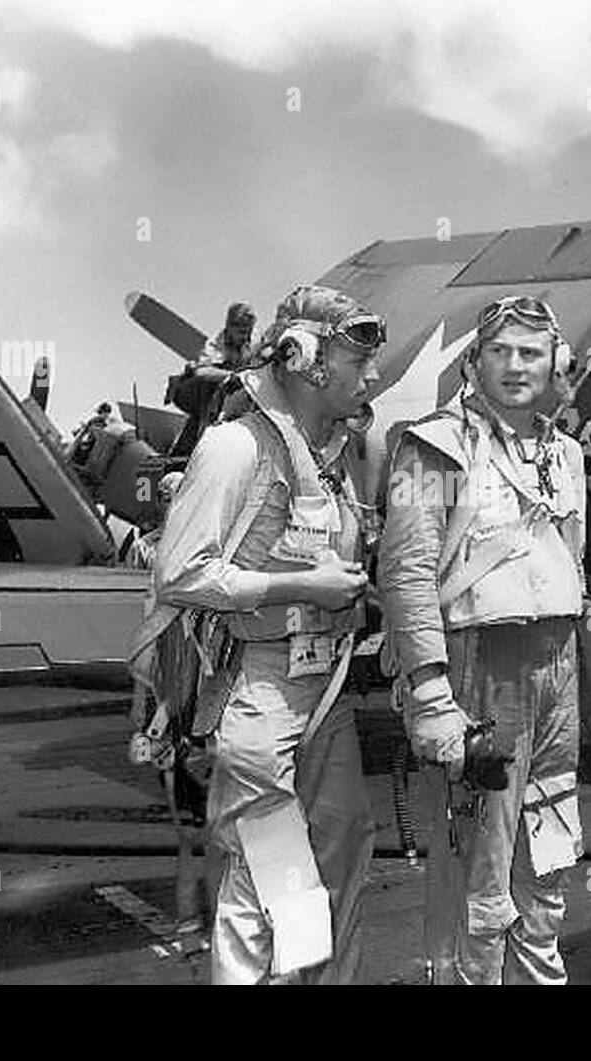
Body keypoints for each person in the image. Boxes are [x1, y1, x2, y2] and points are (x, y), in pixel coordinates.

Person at [132, 285, 385, 984]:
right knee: (271, 878)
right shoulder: (234, 448)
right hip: (255, 689)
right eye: (356, 361)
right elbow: (181, 574)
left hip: (322, 689)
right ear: (306, 359)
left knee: (339, 850)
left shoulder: (331, 456)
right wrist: (304, 585)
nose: (369, 378)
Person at [380, 295, 587, 985]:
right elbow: (406, 574)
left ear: (556, 363)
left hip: (556, 669)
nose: (516, 365)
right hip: (480, 673)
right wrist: (433, 693)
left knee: (549, 857)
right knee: (480, 877)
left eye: (532, 352)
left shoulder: (564, 456)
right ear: (473, 363)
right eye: (500, 351)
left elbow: (571, 566)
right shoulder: (432, 447)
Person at [167, 301, 258, 458]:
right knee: (209, 387)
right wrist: (231, 376)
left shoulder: (256, 342)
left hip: (242, 397)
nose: (244, 336)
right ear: (229, 327)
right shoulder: (218, 342)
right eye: (240, 331)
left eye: (247, 331)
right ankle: (195, 445)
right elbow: (202, 372)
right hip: (207, 396)